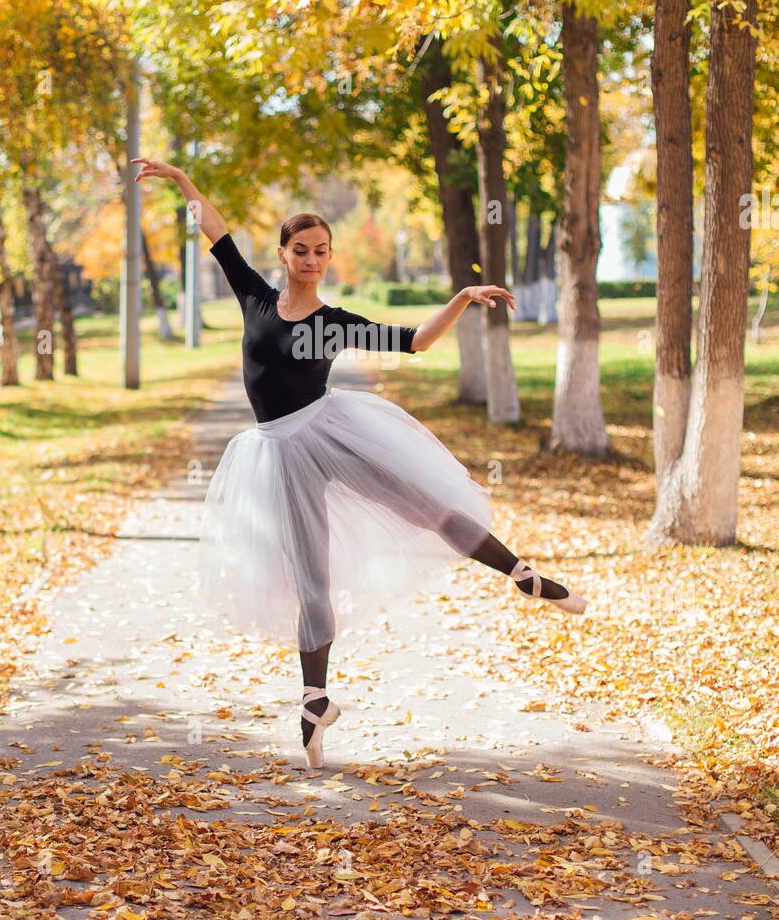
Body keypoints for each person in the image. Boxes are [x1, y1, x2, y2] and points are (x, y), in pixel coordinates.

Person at [132, 157, 586, 769]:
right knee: (310, 579)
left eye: (321, 251)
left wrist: (460, 298)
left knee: (425, 508)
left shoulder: (333, 324)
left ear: (328, 257)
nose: (311, 259)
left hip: (334, 435)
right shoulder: (255, 299)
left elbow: (413, 343)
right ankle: (315, 702)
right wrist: (182, 182)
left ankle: (524, 576)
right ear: (284, 255)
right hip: (279, 455)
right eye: (301, 250)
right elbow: (215, 231)